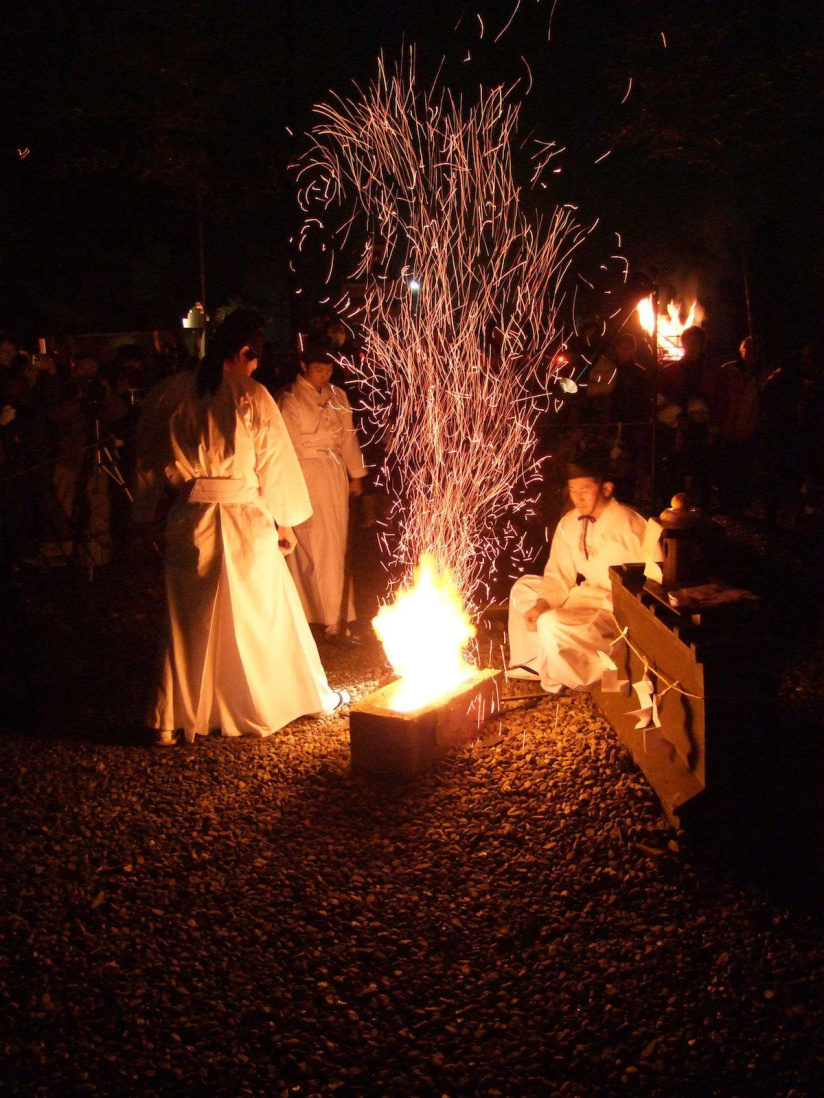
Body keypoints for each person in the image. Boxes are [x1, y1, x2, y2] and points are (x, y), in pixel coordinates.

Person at [133, 309, 344, 746]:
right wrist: (284, 521)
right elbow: (273, 462)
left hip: (190, 519)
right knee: (257, 614)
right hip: (244, 517)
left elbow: (149, 461)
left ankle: (172, 719)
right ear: (246, 353)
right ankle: (263, 702)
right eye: (254, 359)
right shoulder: (251, 394)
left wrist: (148, 513)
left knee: (187, 619)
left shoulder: (169, 393)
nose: (254, 368)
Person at [507, 456, 648, 693]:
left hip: (611, 609)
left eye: (585, 490)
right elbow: (558, 573)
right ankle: (532, 662)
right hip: (582, 597)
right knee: (524, 588)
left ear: (605, 489)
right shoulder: (570, 523)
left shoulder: (630, 525)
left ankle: (567, 675)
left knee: (550, 622)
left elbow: (648, 579)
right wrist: (543, 602)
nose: (578, 498)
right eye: (573, 490)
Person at [278, 344, 368, 641]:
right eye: (319, 370)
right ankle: (313, 613)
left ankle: (337, 615)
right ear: (304, 366)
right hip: (305, 474)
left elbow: (348, 438)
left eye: (328, 371)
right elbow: (286, 444)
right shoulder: (290, 398)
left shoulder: (338, 396)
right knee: (312, 543)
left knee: (335, 542)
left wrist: (355, 475)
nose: (324, 376)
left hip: (333, 473)